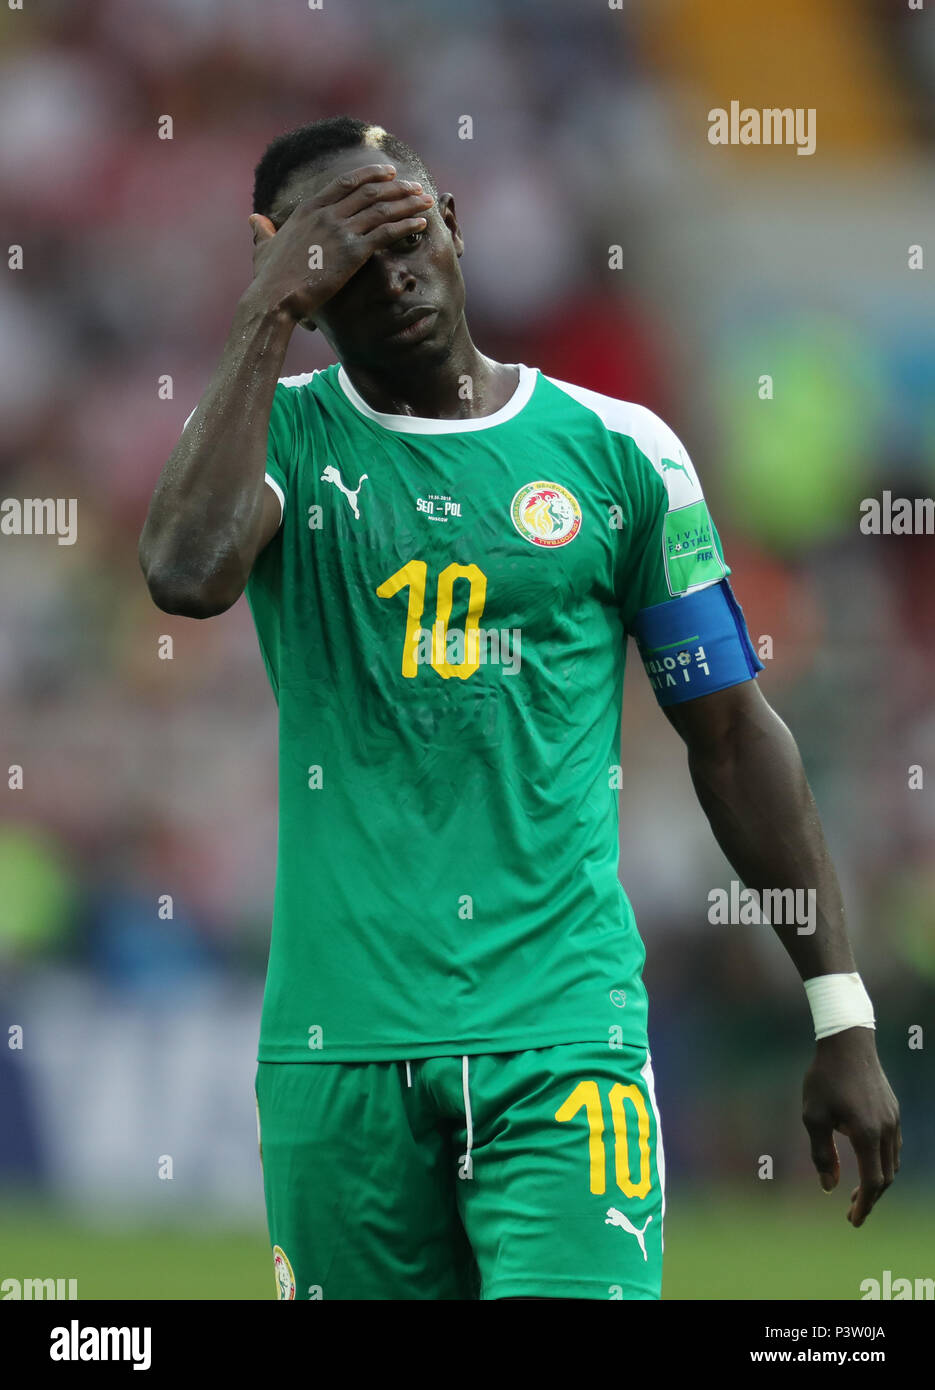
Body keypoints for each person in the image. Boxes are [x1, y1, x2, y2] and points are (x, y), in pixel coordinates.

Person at [139, 116, 901, 1301]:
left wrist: (838, 1010)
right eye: (338, 246)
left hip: (562, 1037)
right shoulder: (272, 440)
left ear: (451, 226)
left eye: (403, 227)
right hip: (338, 1049)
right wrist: (263, 317)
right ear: (280, 259)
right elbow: (185, 575)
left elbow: (732, 732)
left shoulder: (617, 450)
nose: (384, 266)